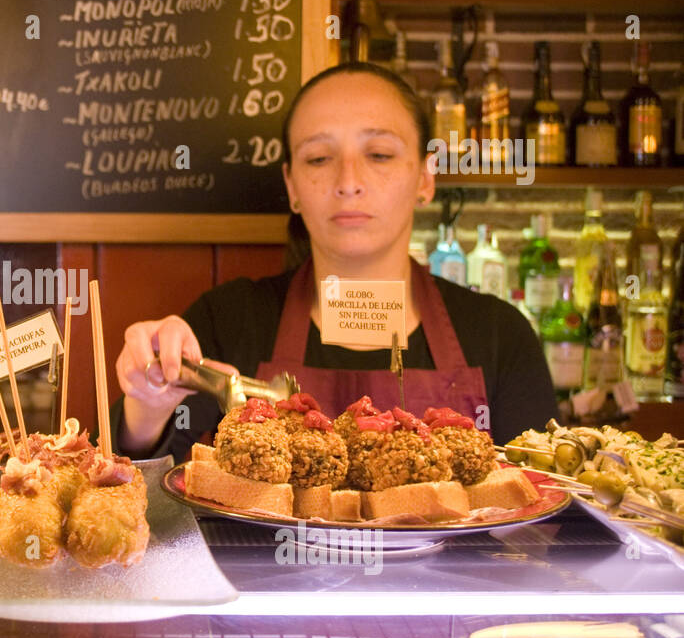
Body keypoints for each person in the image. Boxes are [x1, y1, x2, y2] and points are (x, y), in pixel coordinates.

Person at [112, 62, 556, 461]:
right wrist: (149, 404)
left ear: (425, 176)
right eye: (319, 158)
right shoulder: (226, 321)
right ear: (291, 186)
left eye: (379, 154)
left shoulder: (501, 336)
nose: (348, 181)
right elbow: (148, 498)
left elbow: (544, 515)